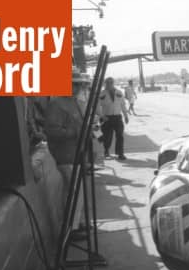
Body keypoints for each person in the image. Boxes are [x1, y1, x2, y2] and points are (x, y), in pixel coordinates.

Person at [44, 68, 91, 240]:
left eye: (77, 85)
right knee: (73, 193)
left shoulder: (73, 103)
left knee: (77, 193)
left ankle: (77, 222)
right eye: (73, 85)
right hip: (65, 154)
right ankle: (71, 229)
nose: (76, 88)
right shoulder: (56, 104)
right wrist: (74, 132)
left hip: (75, 153)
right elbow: (52, 131)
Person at [97, 77, 129, 160]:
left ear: (113, 83)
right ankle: (106, 150)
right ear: (105, 83)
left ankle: (120, 153)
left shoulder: (119, 92)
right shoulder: (101, 94)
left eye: (111, 82)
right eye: (107, 83)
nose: (109, 84)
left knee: (120, 135)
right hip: (106, 118)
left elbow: (123, 105)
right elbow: (97, 107)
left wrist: (126, 116)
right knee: (107, 136)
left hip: (117, 117)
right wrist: (102, 116)